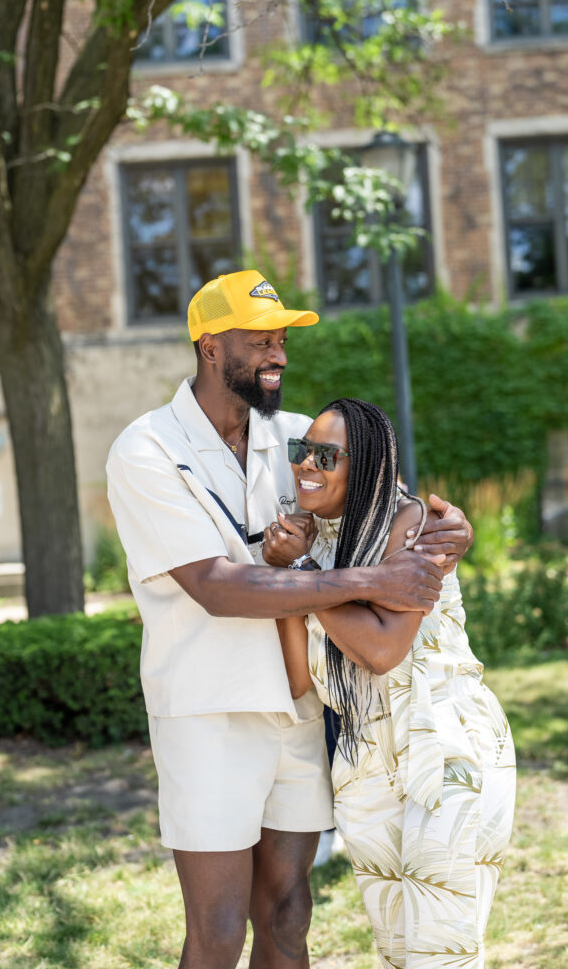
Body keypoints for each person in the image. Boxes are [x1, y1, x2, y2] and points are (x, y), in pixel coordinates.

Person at [105, 269, 474, 969]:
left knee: (287, 915)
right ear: (210, 347)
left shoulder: (306, 437)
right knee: (216, 932)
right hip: (207, 714)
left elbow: (398, 514)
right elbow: (214, 586)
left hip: (299, 710)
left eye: (281, 340)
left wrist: (454, 534)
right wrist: (372, 579)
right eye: (259, 340)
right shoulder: (147, 449)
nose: (277, 354)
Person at [263, 398, 516, 969]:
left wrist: (304, 576)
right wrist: (284, 579)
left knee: (440, 957)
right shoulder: (314, 542)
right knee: (401, 954)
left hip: (442, 745)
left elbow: (381, 650)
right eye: (303, 451)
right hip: (362, 766)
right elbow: (300, 679)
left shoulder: (413, 525)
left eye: (326, 456)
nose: (307, 466)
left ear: (370, 466)